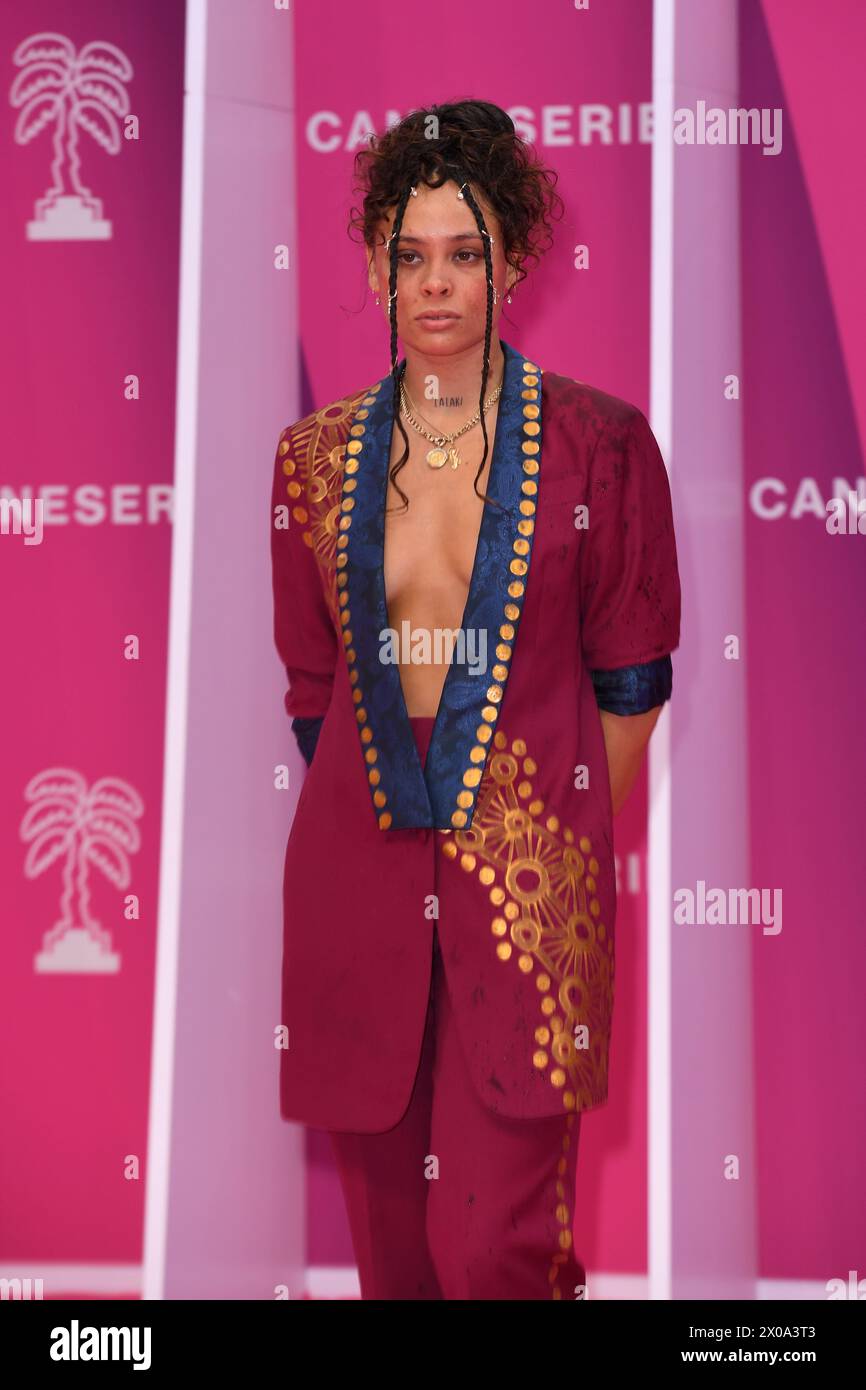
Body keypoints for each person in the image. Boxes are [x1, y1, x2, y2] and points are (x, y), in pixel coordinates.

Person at [270, 99, 681, 1300]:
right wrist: (383, 815)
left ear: (514, 261)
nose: (436, 284)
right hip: (356, 893)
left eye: (466, 253)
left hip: (526, 900)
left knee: (495, 1252)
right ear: (372, 264)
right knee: (394, 1264)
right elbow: (312, 689)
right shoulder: (308, 458)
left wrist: (546, 842)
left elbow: (631, 685)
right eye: (411, 255)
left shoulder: (602, 446)